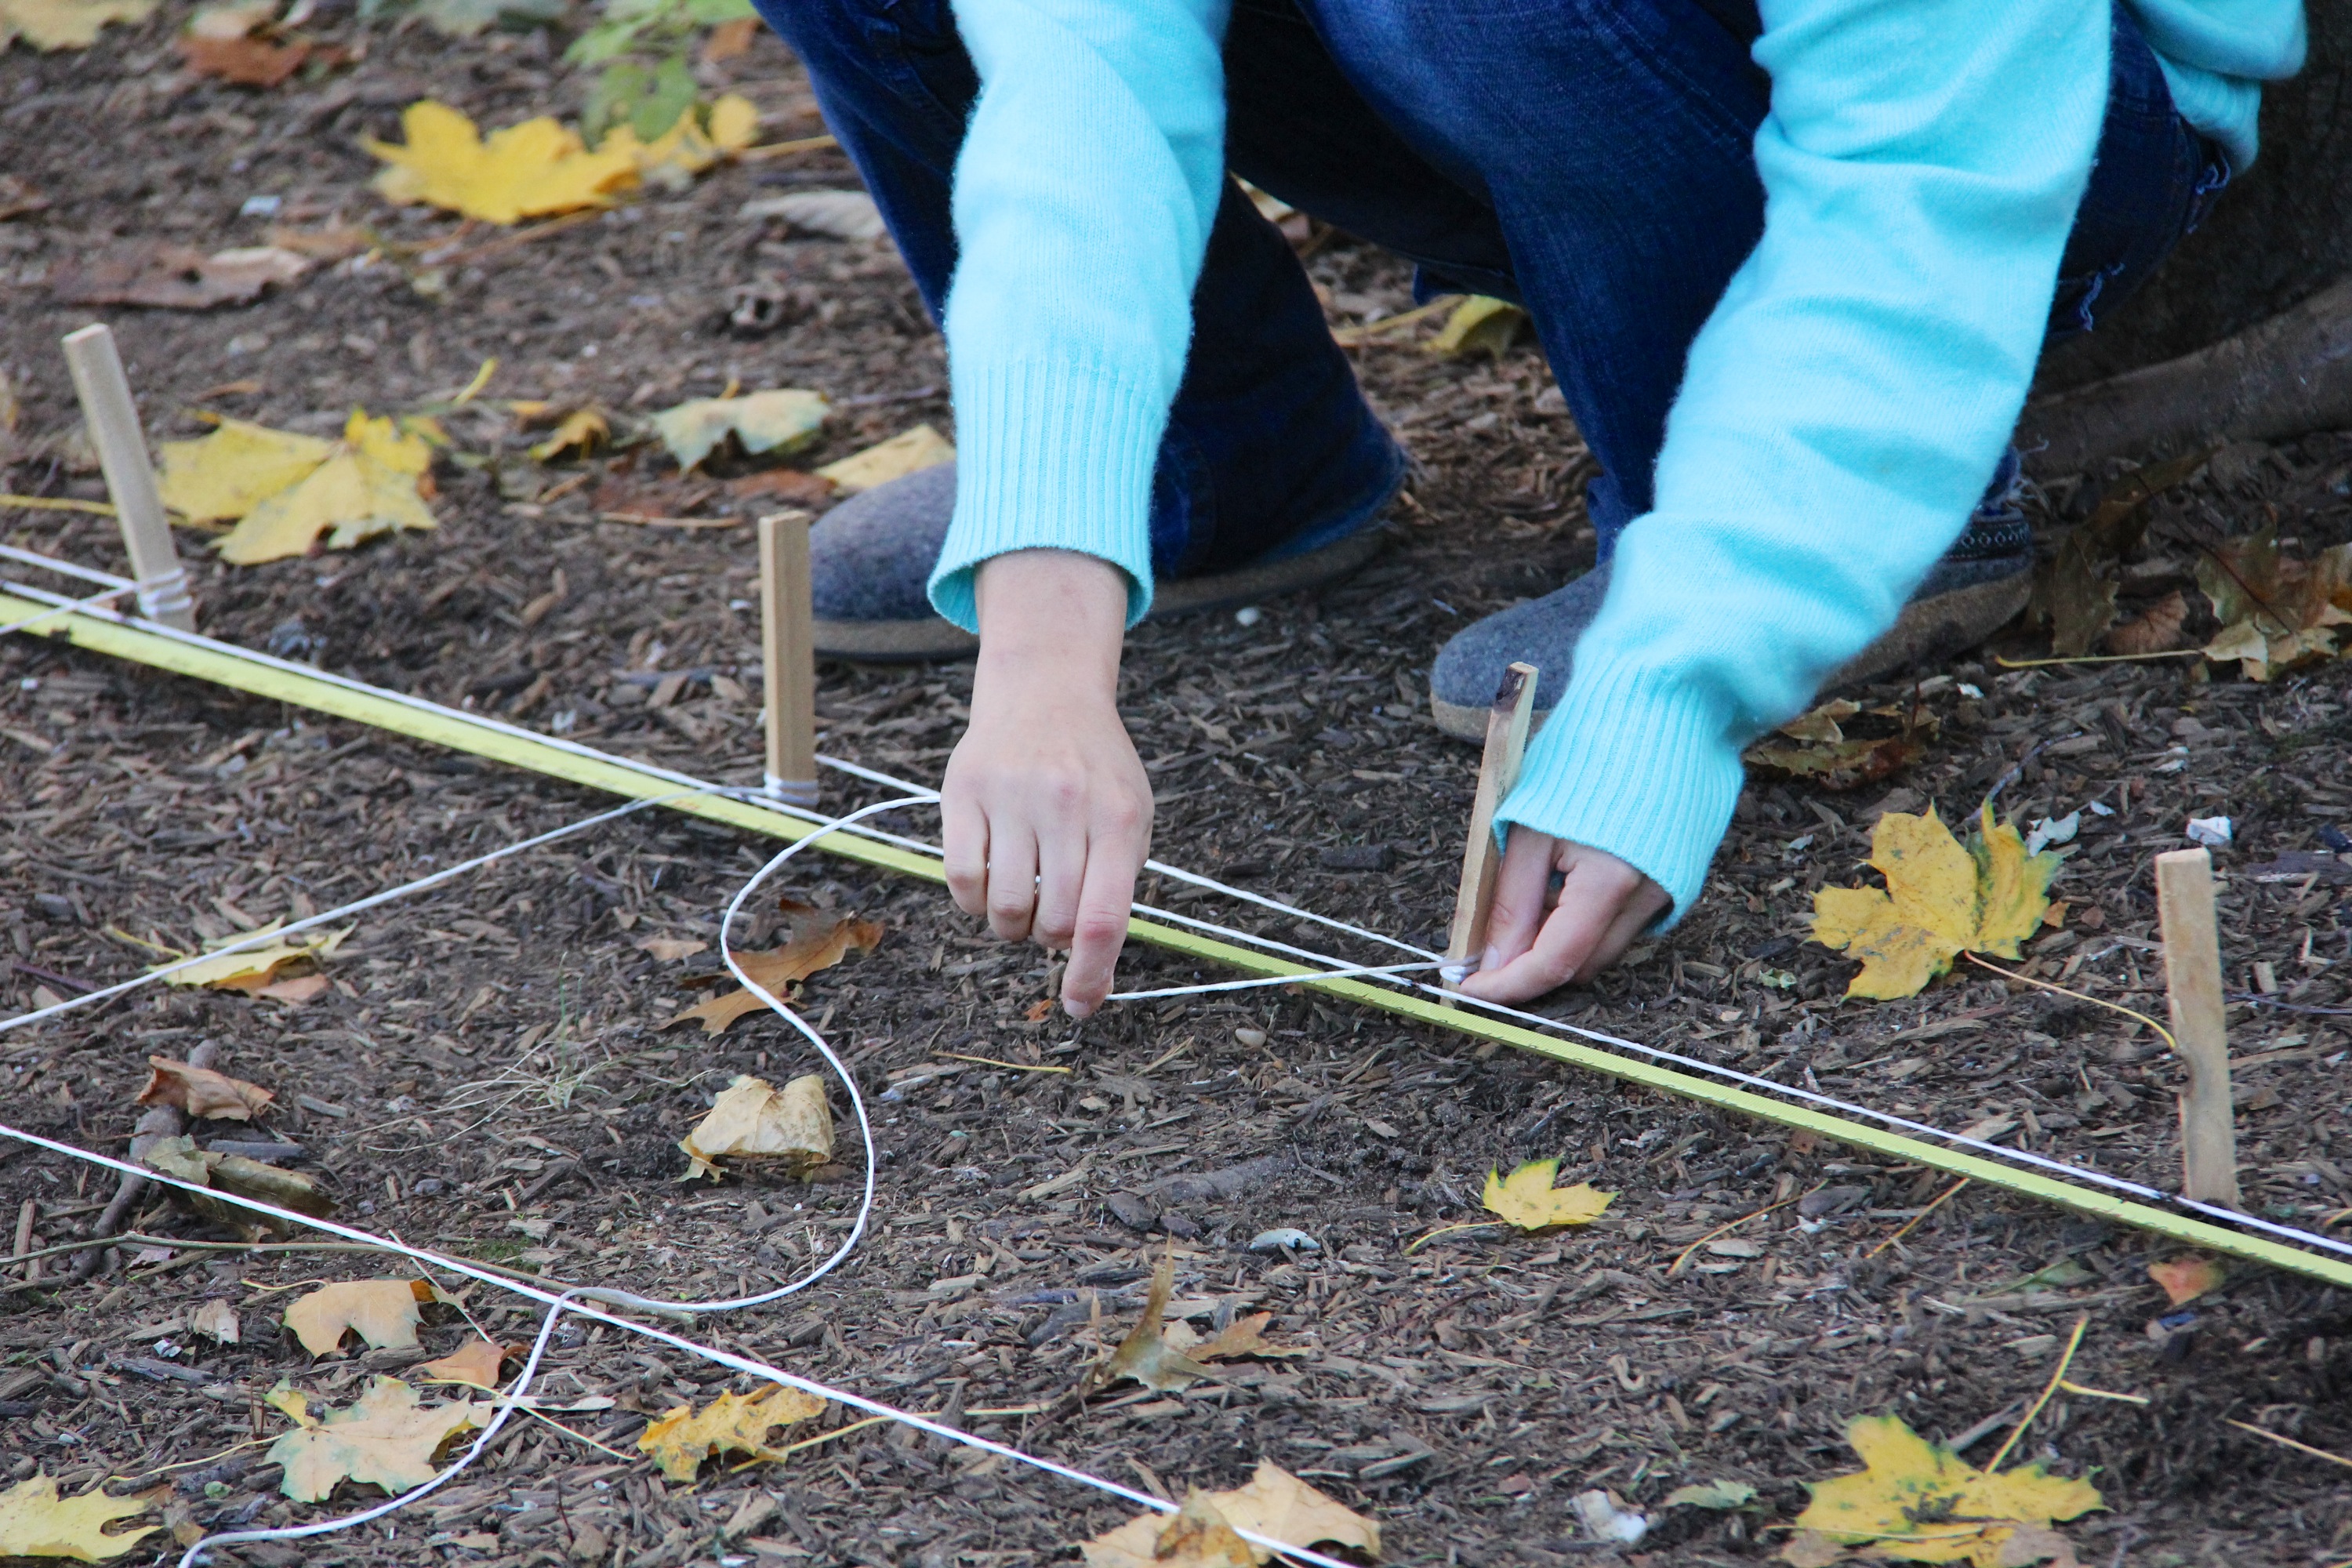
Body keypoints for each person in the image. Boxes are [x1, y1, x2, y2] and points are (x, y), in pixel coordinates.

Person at [754, 0, 2304, 1018]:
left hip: (2022, 130)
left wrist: (1673, 682)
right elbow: (1087, 73)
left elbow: (1922, 198)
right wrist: (1042, 632)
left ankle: (1828, 524)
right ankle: (1214, 462)